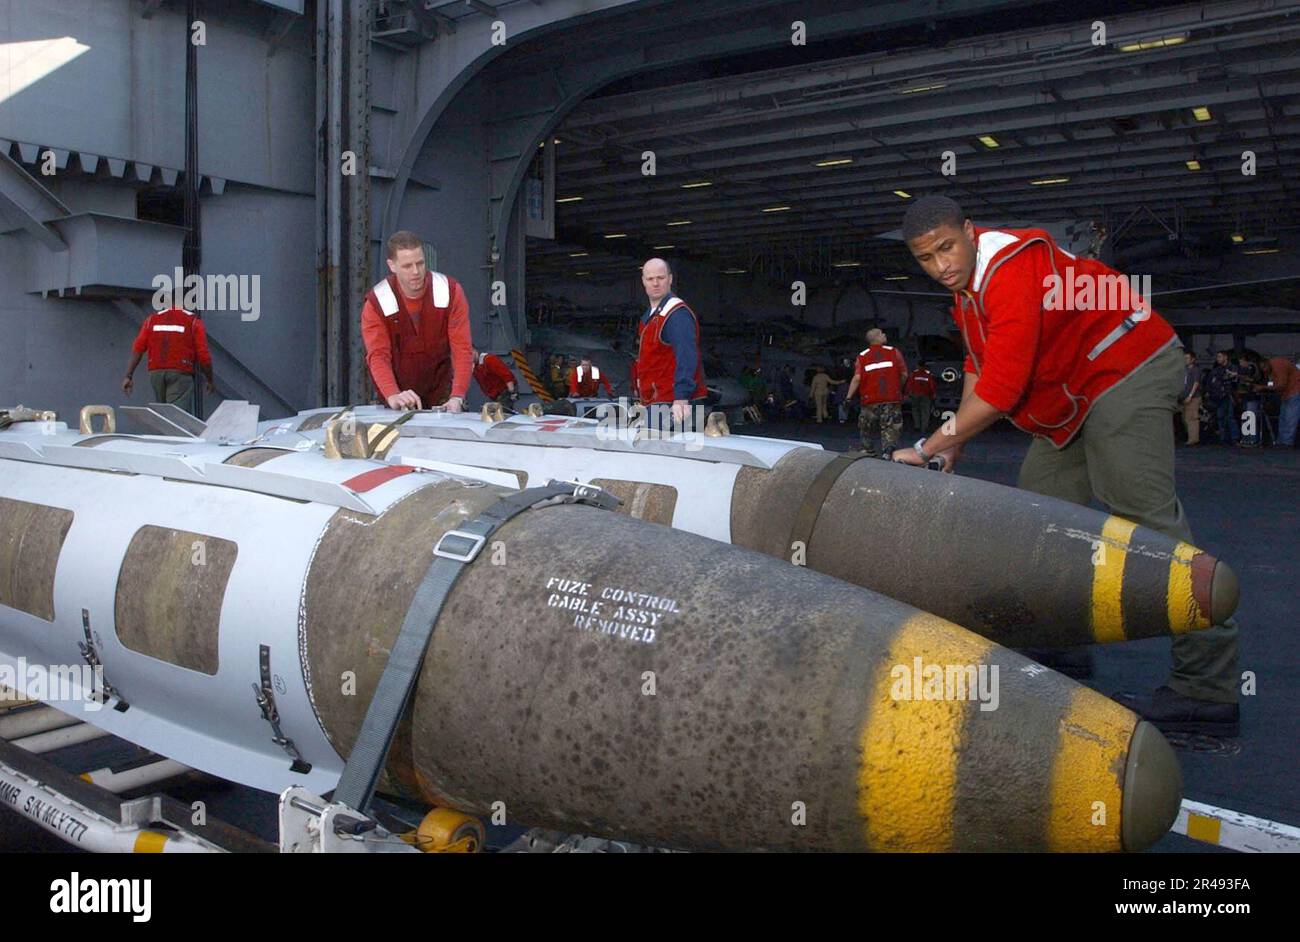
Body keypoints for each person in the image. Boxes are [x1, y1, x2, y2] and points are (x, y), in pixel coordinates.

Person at [891, 194, 1239, 736]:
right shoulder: (968, 292)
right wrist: (955, 442)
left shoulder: (1010, 269)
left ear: (969, 231)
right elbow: (980, 366)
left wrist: (928, 446)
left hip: (1128, 367)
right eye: (926, 258)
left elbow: (1002, 392)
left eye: (947, 248)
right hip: (1078, 393)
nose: (941, 266)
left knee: (1143, 518)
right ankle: (1063, 642)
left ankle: (1207, 687)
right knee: (1041, 513)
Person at [361, 230, 472, 412]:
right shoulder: (377, 302)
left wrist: (457, 396)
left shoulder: (450, 292)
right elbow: (378, 355)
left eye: (420, 263)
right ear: (392, 265)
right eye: (407, 266)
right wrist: (393, 395)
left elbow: (462, 348)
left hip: (442, 392)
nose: (415, 272)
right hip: (398, 395)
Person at [636, 258, 708, 432]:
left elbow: (687, 356)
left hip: (672, 404)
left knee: (660, 447)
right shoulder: (652, 316)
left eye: (660, 278)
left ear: (670, 279)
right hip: (657, 400)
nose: (655, 283)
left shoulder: (676, 315)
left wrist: (682, 397)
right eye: (650, 279)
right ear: (643, 281)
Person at [122, 306, 215, 407]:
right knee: (176, 413)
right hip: (180, 374)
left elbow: (138, 349)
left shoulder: (151, 320)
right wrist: (209, 379)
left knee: (163, 412)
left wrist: (128, 376)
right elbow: (203, 355)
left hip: (156, 374)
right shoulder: (193, 322)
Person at [844, 328, 908, 457]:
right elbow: (904, 374)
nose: (885, 335)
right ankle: (888, 450)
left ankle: (867, 449)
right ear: (877, 337)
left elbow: (857, 378)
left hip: (870, 399)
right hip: (891, 397)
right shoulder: (894, 352)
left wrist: (848, 397)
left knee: (866, 426)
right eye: (882, 333)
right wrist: (897, 388)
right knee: (891, 425)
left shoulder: (862, 356)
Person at [1257, 354, 1300, 446]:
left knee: (1290, 418)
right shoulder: (1273, 367)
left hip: (1295, 390)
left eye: (1264, 367)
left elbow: (1281, 385)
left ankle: (1286, 442)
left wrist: (1263, 387)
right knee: (1283, 418)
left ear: (1267, 363)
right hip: (1287, 393)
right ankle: (1281, 441)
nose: (1264, 370)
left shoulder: (1278, 365)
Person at [1204, 351, 1238, 445]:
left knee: (1230, 416)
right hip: (1218, 396)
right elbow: (1209, 382)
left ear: (1225, 357)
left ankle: (1234, 438)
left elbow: (1233, 379)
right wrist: (1209, 391)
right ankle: (1223, 438)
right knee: (1220, 417)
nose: (1218, 359)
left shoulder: (1232, 367)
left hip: (1229, 395)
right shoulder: (1216, 370)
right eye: (1217, 357)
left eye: (1219, 356)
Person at [1235, 352, 1263, 447]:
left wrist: (1238, 375)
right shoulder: (1247, 369)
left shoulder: (1252, 367)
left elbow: (1251, 379)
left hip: (1252, 396)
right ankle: (1246, 439)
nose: (1240, 364)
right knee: (1246, 417)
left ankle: (1252, 439)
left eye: (1241, 362)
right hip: (1247, 396)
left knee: (1251, 417)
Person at [905, 359, 938, 433]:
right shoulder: (928, 374)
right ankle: (924, 428)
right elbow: (932, 385)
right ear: (925, 366)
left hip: (915, 395)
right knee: (925, 411)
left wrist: (907, 393)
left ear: (918, 366)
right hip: (926, 395)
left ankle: (917, 426)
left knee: (915, 410)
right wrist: (933, 393)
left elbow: (909, 384)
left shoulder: (914, 374)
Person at [1179, 349, 1202, 446]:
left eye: (1187, 358)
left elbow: (1196, 383)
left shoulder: (1195, 370)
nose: (1185, 360)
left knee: (1192, 418)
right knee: (1185, 418)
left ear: (1193, 359)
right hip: (1184, 397)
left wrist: (1190, 395)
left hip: (1193, 397)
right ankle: (1190, 436)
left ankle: (1193, 439)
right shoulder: (1185, 370)